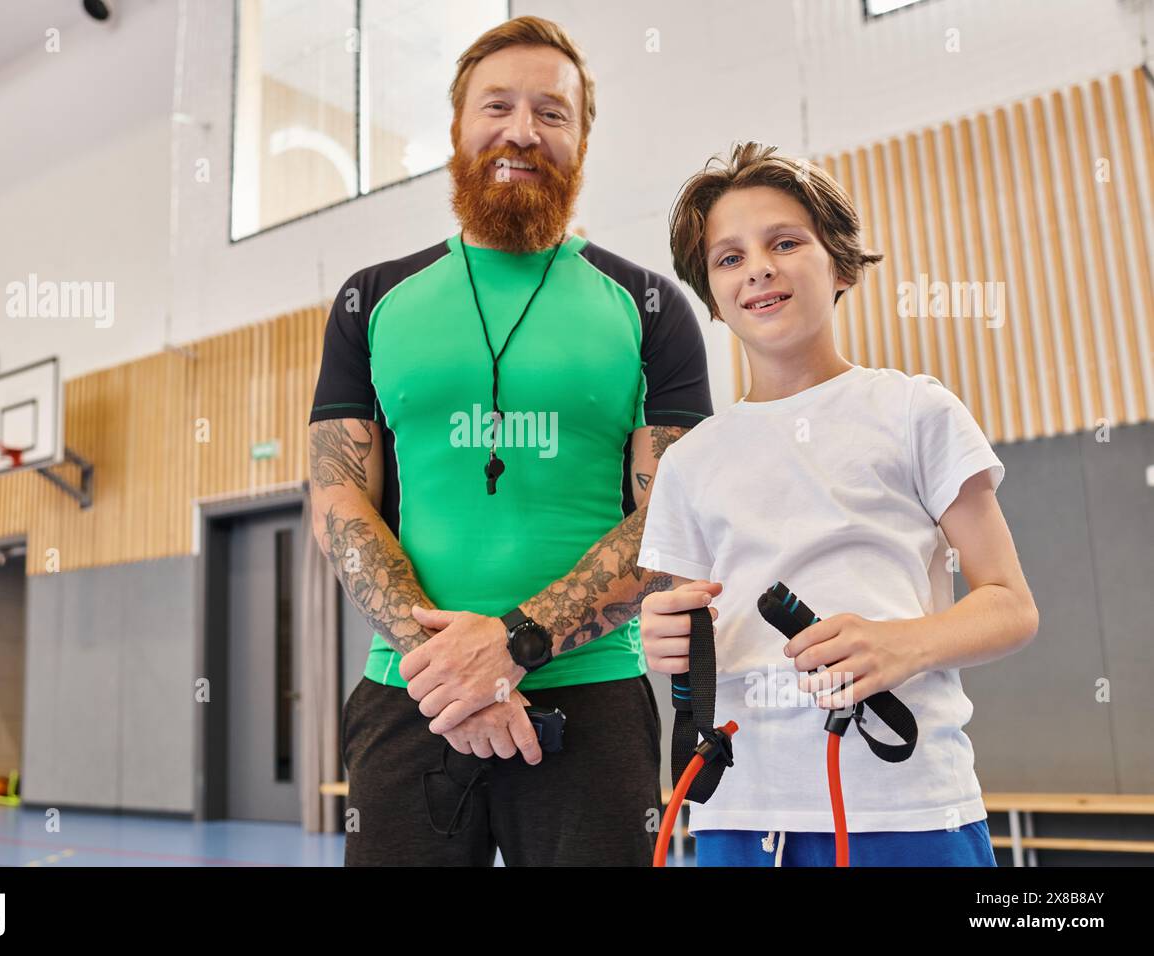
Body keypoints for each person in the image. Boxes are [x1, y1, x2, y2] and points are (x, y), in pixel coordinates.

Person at [307, 16, 712, 866]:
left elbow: (677, 516)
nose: (522, 130)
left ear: (582, 140)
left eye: (551, 112)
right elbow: (337, 498)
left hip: (592, 706)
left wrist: (516, 645)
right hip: (409, 699)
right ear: (456, 128)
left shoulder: (649, 308)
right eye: (497, 106)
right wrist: (455, 673)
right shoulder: (371, 300)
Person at [638, 141, 1038, 866]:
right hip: (740, 815)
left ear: (842, 265)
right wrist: (663, 639)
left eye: (784, 242)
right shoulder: (689, 462)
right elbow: (684, 627)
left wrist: (901, 645)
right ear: (715, 298)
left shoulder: (915, 411)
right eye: (729, 257)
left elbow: (1011, 605)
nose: (758, 265)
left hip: (909, 810)